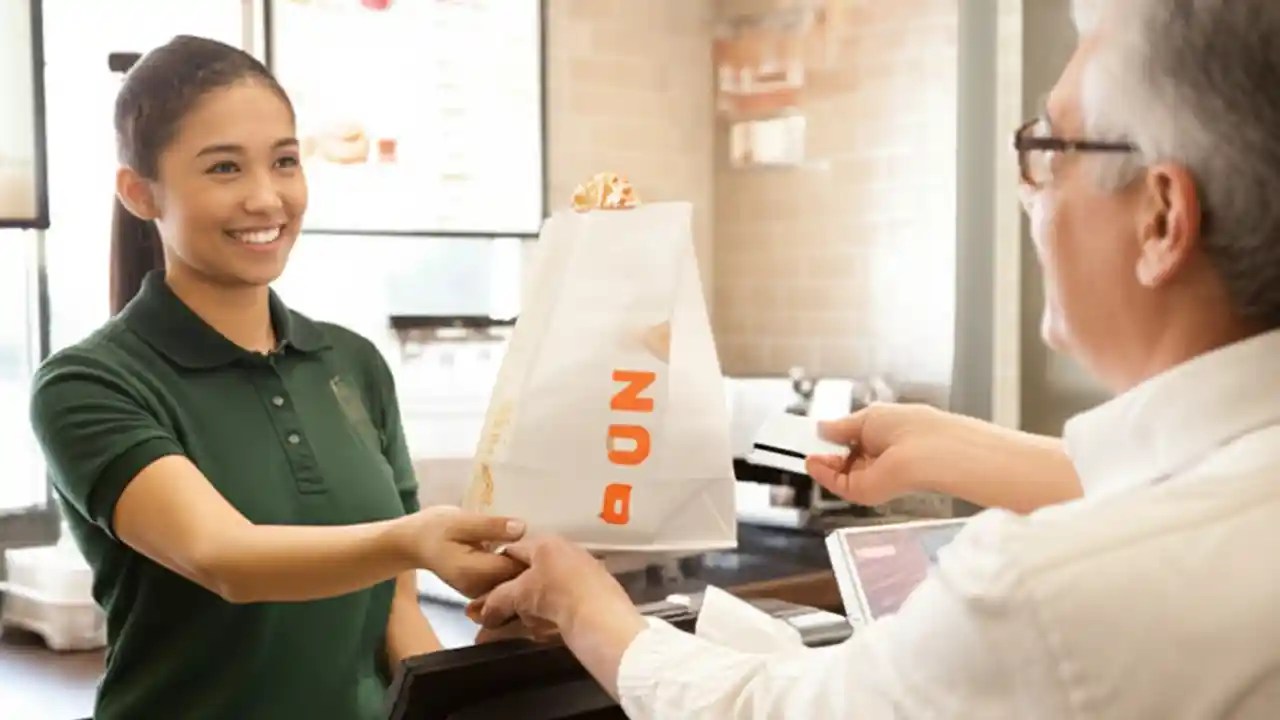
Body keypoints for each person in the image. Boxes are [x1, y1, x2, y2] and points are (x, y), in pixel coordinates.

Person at [469, 1, 1280, 717]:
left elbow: (772, 711)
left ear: (1162, 218)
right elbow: (1186, 480)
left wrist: (587, 606)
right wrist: (957, 447)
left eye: (1050, 150)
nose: (1031, 194)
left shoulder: (1045, 589)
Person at [27, 36, 525, 720]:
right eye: (225, 168)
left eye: (285, 162)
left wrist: (455, 694)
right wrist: (411, 538)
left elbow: (396, 611)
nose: (267, 198)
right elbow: (225, 558)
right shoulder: (88, 384)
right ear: (140, 192)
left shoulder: (353, 366)